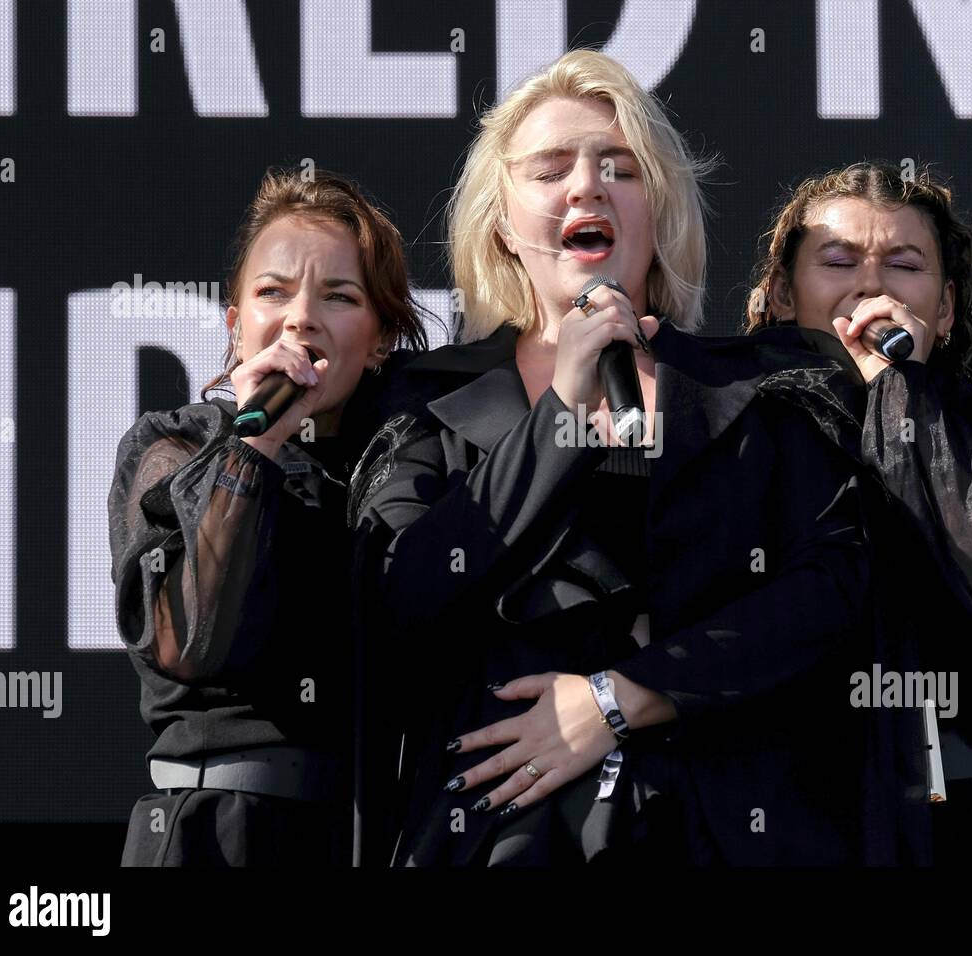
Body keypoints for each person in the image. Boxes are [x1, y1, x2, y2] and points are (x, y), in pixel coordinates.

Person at [350, 49, 872, 866]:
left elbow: (832, 594)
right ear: (503, 222)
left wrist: (624, 698)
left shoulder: (766, 388)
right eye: (551, 169)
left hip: (727, 833)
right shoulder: (423, 400)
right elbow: (402, 597)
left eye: (618, 168)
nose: (586, 187)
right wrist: (559, 415)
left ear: (657, 210)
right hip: (502, 840)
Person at [745, 160, 972, 864]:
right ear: (784, 296)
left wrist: (899, 388)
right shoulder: (741, 441)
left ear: (944, 309)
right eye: (838, 260)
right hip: (800, 827)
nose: (870, 284)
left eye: (903, 265)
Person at [109, 166, 428, 865]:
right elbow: (194, 644)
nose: (300, 316)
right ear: (236, 324)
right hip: (215, 833)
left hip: (362, 838)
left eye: (338, 296)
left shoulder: (405, 468)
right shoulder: (174, 447)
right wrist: (255, 441)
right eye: (272, 293)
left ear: (378, 339)